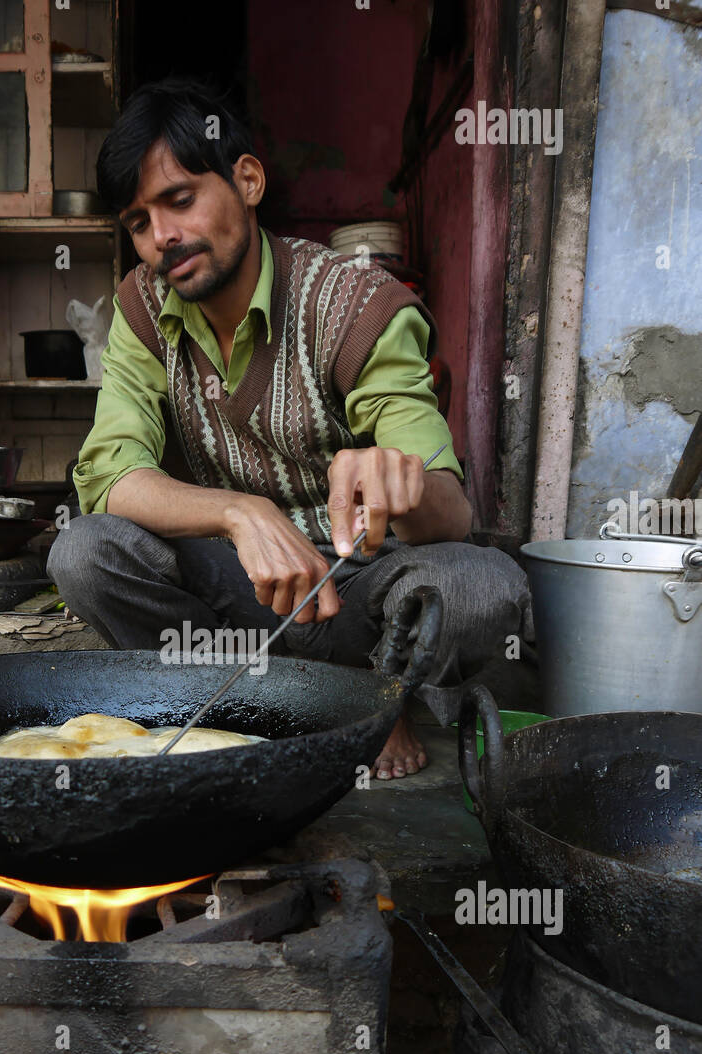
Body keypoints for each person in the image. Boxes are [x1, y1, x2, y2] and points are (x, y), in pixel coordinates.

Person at [49, 78, 529, 778]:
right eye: (137, 222)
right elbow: (109, 475)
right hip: (234, 590)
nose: (162, 238)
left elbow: (449, 515)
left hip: (357, 591)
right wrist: (240, 513)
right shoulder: (142, 311)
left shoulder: (356, 303)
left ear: (246, 180)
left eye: (179, 200)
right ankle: (226, 705)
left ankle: (371, 702)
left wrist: (407, 483)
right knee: (84, 551)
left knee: (483, 584)